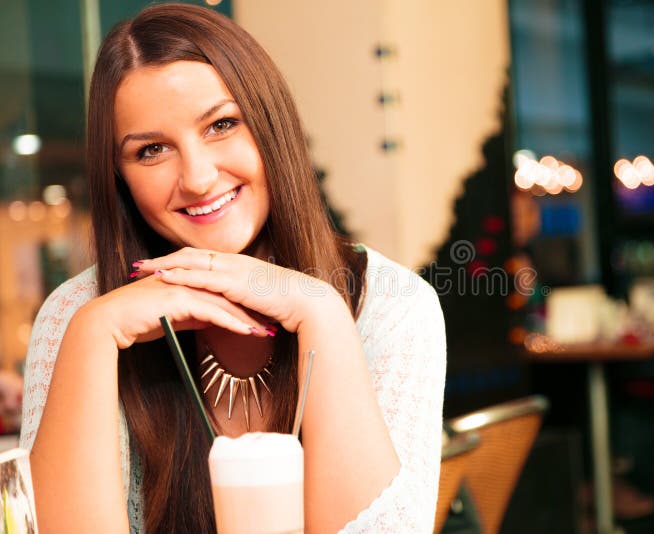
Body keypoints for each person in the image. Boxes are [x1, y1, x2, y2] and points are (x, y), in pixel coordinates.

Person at [20, 4, 446, 533]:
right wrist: (92, 332)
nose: (198, 178)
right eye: (152, 150)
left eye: (221, 125)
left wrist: (322, 314)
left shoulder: (392, 304)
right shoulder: (77, 312)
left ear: (270, 125)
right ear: (120, 177)